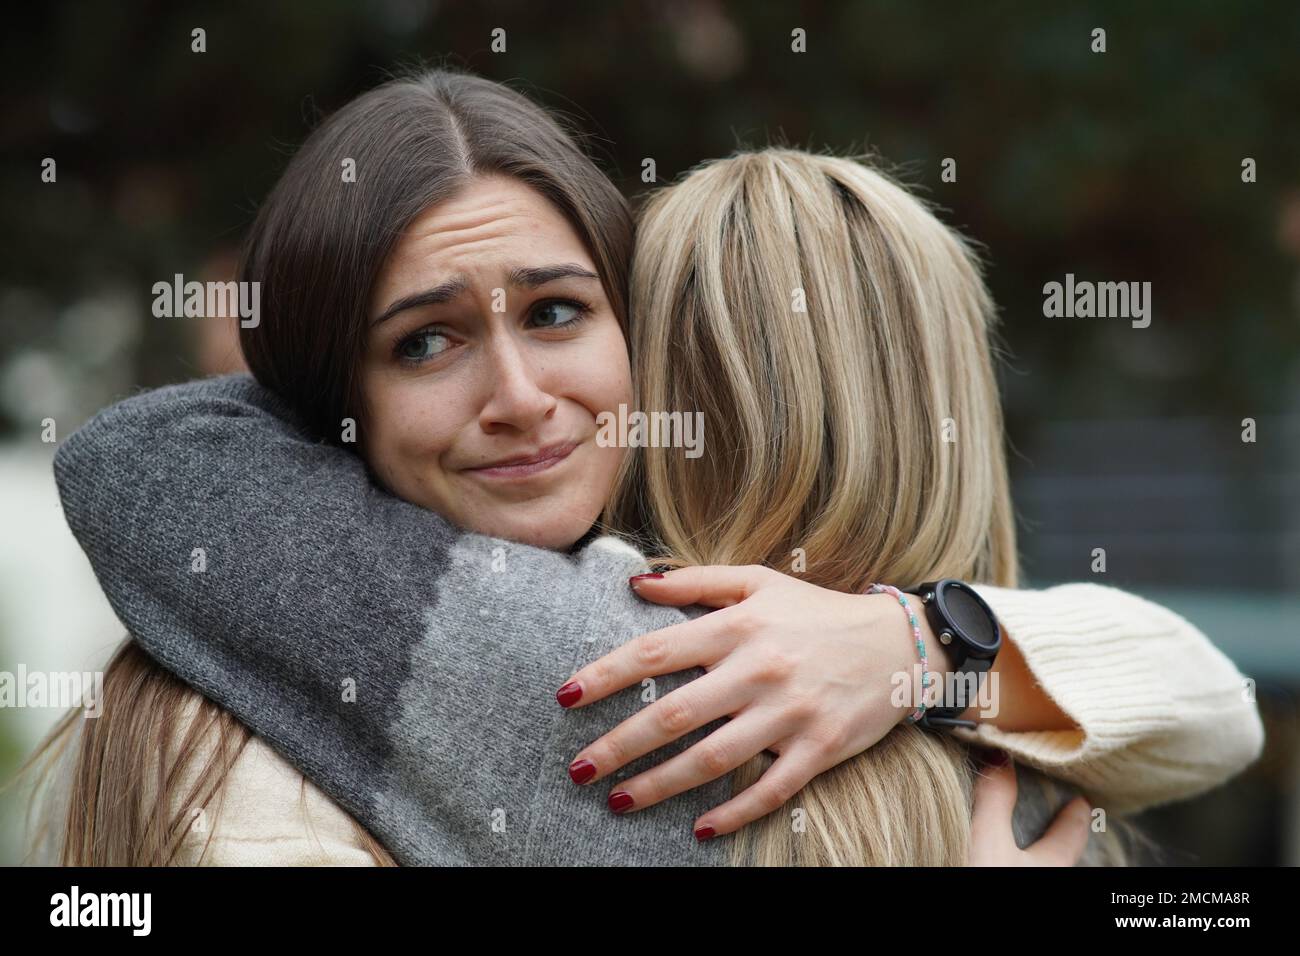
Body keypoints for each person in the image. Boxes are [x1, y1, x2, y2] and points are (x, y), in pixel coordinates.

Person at [31, 70, 1263, 866]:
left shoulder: (790, 657)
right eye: (424, 341)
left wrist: (917, 646)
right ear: (326, 402)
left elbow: (1215, 705)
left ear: (643, 336)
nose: (519, 399)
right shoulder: (230, 711)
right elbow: (133, 459)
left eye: (559, 312)